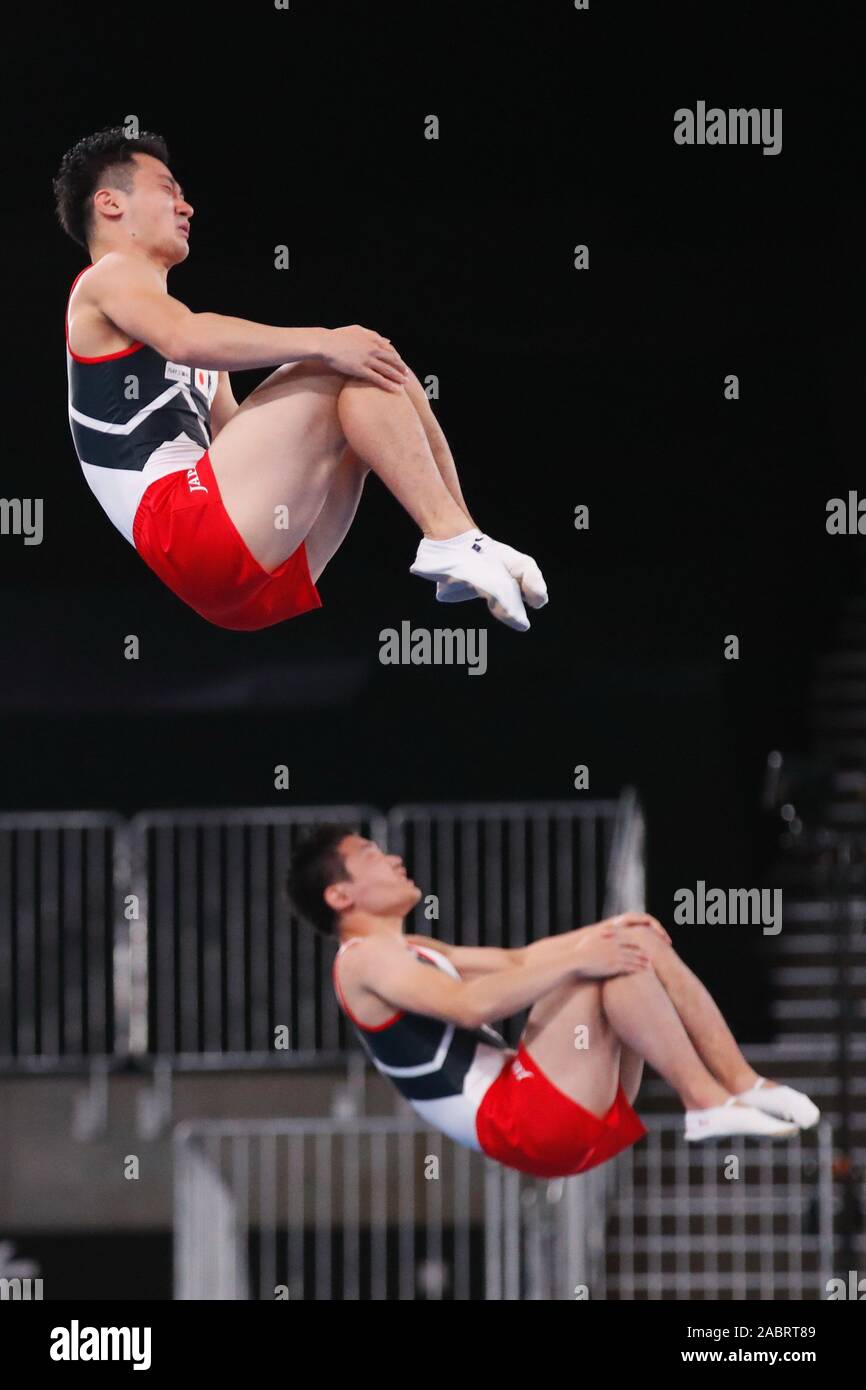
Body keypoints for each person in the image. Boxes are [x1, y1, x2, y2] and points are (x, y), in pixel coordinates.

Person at [53, 127, 547, 632]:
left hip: (247, 579)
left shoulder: (206, 358)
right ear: (110, 203)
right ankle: (449, 536)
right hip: (180, 531)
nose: (187, 207)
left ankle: (465, 536)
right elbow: (183, 336)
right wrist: (323, 341)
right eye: (167, 189)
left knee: (375, 364)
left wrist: (342, 350)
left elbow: (242, 454)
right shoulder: (106, 277)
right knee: (339, 358)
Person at [287, 825, 821, 1179]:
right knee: (605, 962)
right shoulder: (360, 961)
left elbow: (519, 961)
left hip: (547, 1113)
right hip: (519, 1120)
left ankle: (742, 1082)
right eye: (373, 856)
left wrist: (607, 928)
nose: (395, 859)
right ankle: (704, 1101)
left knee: (634, 945)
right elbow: (471, 1006)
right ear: (340, 896)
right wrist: (584, 954)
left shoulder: (412, 950)